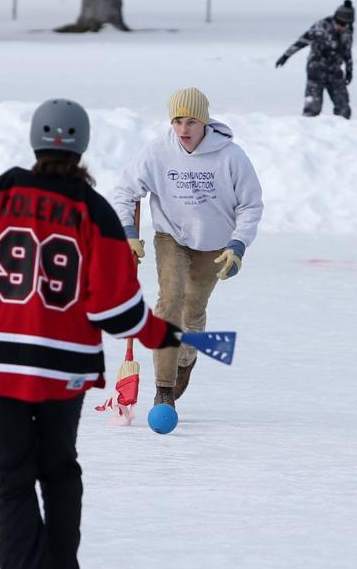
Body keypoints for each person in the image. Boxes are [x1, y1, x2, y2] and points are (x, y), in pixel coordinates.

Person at [0, 99, 183, 569]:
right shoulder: (94, 210)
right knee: (59, 471)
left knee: (13, 476)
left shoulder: (2, 191)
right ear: (82, 146)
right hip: (64, 368)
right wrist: (159, 332)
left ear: (36, 141)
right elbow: (113, 309)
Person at [111, 87, 263, 406]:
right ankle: (163, 389)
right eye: (177, 121)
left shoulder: (231, 156)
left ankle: (186, 358)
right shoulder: (157, 152)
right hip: (172, 237)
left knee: (193, 310)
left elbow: (250, 205)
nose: (183, 129)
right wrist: (128, 232)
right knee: (169, 303)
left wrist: (238, 245)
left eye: (191, 121)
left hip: (215, 245)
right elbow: (125, 192)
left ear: (204, 122)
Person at [276, 0, 354, 119]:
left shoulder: (348, 31)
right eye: (341, 24)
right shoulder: (321, 27)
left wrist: (349, 70)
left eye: (346, 25)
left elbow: (347, 51)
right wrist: (286, 56)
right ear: (336, 19)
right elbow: (302, 41)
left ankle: (341, 128)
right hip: (316, 70)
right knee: (312, 108)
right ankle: (308, 128)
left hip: (335, 71)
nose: (343, 27)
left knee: (343, 107)